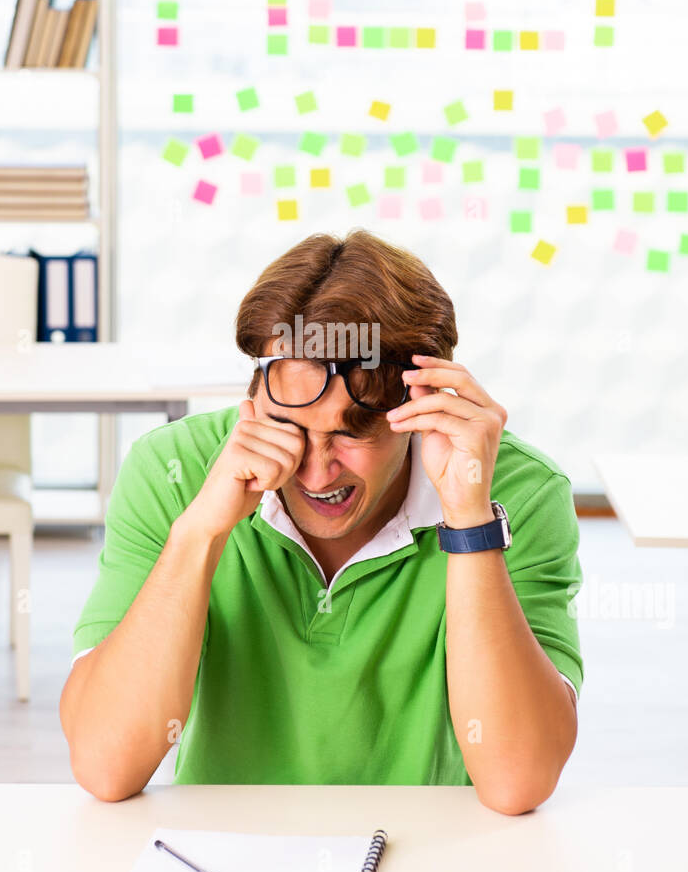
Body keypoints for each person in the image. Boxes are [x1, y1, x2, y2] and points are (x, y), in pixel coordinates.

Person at [60, 230, 583, 812]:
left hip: (439, 862)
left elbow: (517, 782)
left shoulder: (519, 492)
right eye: (289, 428)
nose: (314, 471)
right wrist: (201, 531)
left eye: (352, 433)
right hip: (224, 857)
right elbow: (106, 765)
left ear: (424, 407)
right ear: (255, 394)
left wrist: (468, 519)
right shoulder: (174, 473)